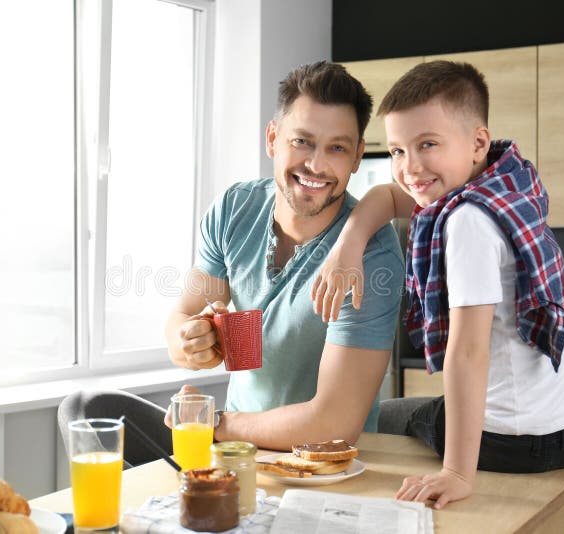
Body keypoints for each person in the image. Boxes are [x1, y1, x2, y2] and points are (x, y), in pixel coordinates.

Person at [311, 60, 564, 509]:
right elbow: (389, 196)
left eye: (427, 144)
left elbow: (468, 351)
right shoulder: (506, 179)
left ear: (477, 141)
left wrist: (458, 473)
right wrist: (347, 245)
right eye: (397, 151)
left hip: (519, 440)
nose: (410, 168)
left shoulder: (466, 221)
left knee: (372, 419)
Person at [164, 61, 405, 451]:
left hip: (328, 471)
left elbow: (334, 424)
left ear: (358, 156)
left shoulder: (373, 253)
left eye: (337, 148)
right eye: (302, 141)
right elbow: (183, 317)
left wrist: (214, 422)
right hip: (238, 457)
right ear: (273, 138)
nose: (316, 164)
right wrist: (189, 342)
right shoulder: (233, 209)